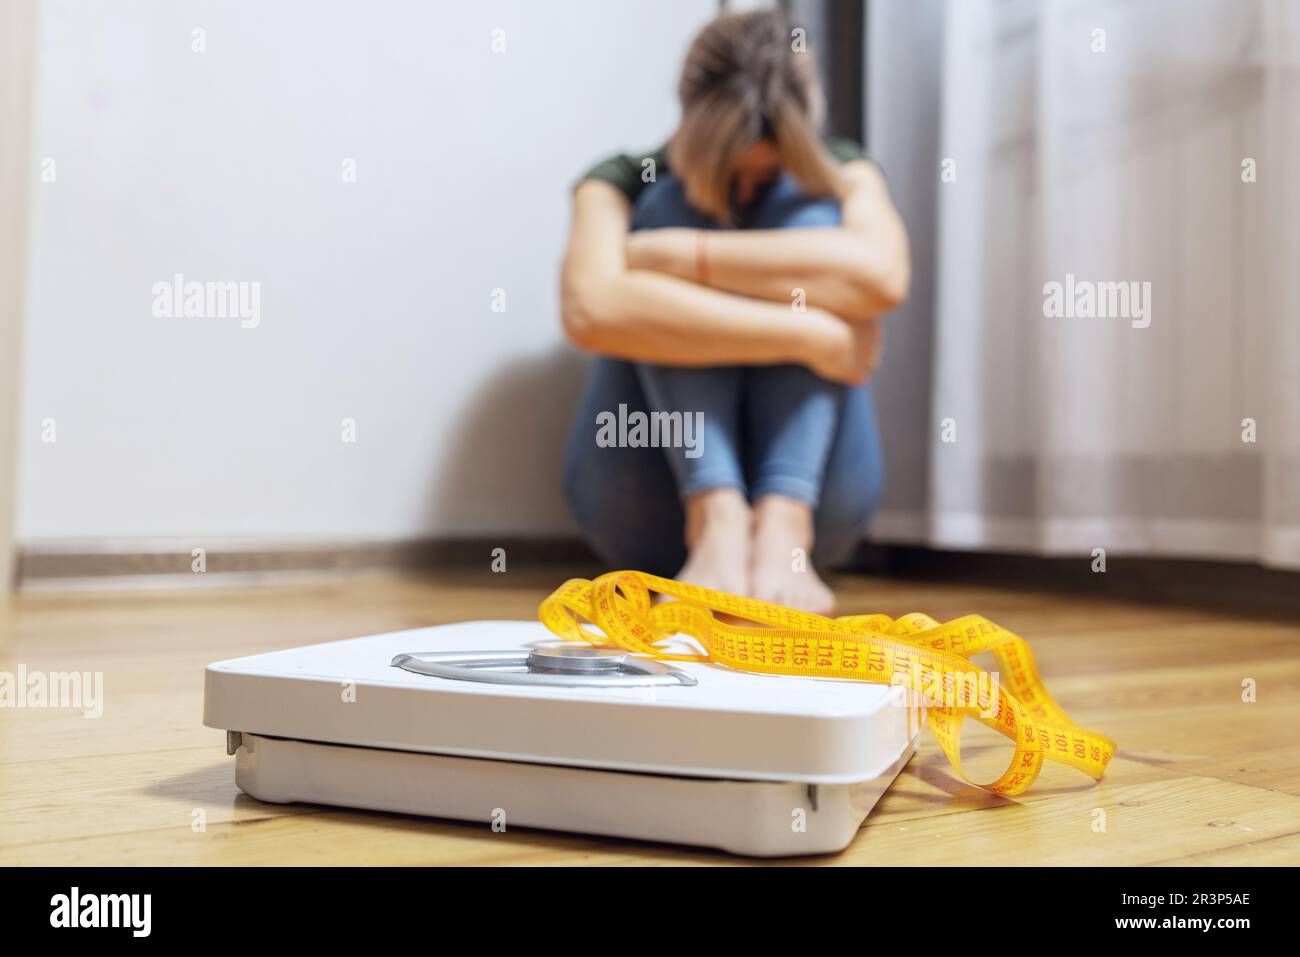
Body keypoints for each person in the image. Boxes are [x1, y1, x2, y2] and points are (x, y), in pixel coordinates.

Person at [559, 9, 909, 615]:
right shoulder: (620, 182)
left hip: (822, 510)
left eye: (765, 174)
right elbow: (591, 310)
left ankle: (784, 520)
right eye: (732, 174)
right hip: (645, 510)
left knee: (814, 211)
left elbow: (880, 277)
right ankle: (714, 515)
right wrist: (810, 333)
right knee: (667, 202)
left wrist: (678, 258)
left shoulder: (847, 170)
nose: (747, 191)